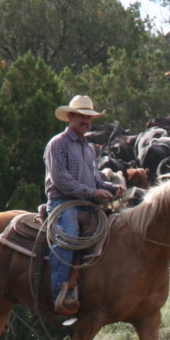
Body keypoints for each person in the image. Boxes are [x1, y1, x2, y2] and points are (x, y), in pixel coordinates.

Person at [45, 95, 123, 314]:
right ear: (70, 116)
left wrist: (112, 188)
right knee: (66, 240)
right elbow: (60, 178)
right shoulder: (57, 144)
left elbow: (95, 178)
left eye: (89, 118)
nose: (86, 122)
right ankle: (60, 294)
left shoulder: (88, 148)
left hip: (87, 205)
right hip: (63, 203)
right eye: (81, 117)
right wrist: (91, 192)